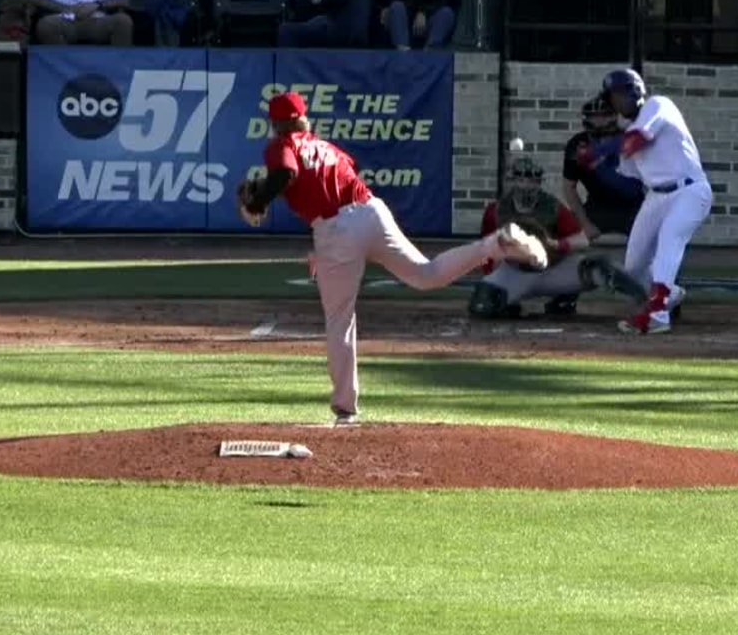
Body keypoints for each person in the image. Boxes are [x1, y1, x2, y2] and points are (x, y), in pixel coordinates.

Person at [235, 91, 549, 425]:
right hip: (371, 211)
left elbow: (286, 173)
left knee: (340, 319)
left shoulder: (282, 145)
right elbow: (319, 181)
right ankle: (495, 245)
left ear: (277, 123)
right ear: (304, 117)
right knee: (426, 274)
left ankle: (346, 407)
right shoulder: (325, 147)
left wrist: (258, 201)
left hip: (336, 229)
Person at [585, 68, 713, 335]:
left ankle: (657, 315)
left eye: (621, 93)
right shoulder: (629, 133)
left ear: (636, 91)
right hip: (656, 196)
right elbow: (628, 182)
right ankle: (670, 294)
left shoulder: (658, 105)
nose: (618, 101)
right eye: (613, 96)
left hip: (689, 190)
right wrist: (597, 167)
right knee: (633, 268)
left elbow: (637, 139)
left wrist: (600, 150)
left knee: (670, 240)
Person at [469, 143, 644, 320]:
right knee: (483, 305)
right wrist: (496, 273)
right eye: (521, 180)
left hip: (550, 268)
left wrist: (556, 245)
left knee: (597, 266)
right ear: (512, 181)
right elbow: (486, 249)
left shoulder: (552, 207)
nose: (526, 185)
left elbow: (582, 240)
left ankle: (644, 301)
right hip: (514, 271)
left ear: (539, 182)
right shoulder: (496, 210)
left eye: (532, 181)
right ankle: (510, 301)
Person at [562, 95, 644, 239]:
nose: (599, 121)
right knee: (571, 236)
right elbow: (569, 187)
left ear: (614, 117)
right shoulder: (577, 145)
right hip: (598, 206)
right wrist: (585, 223)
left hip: (633, 206)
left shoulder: (628, 139)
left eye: (604, 116)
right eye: (594, 117)